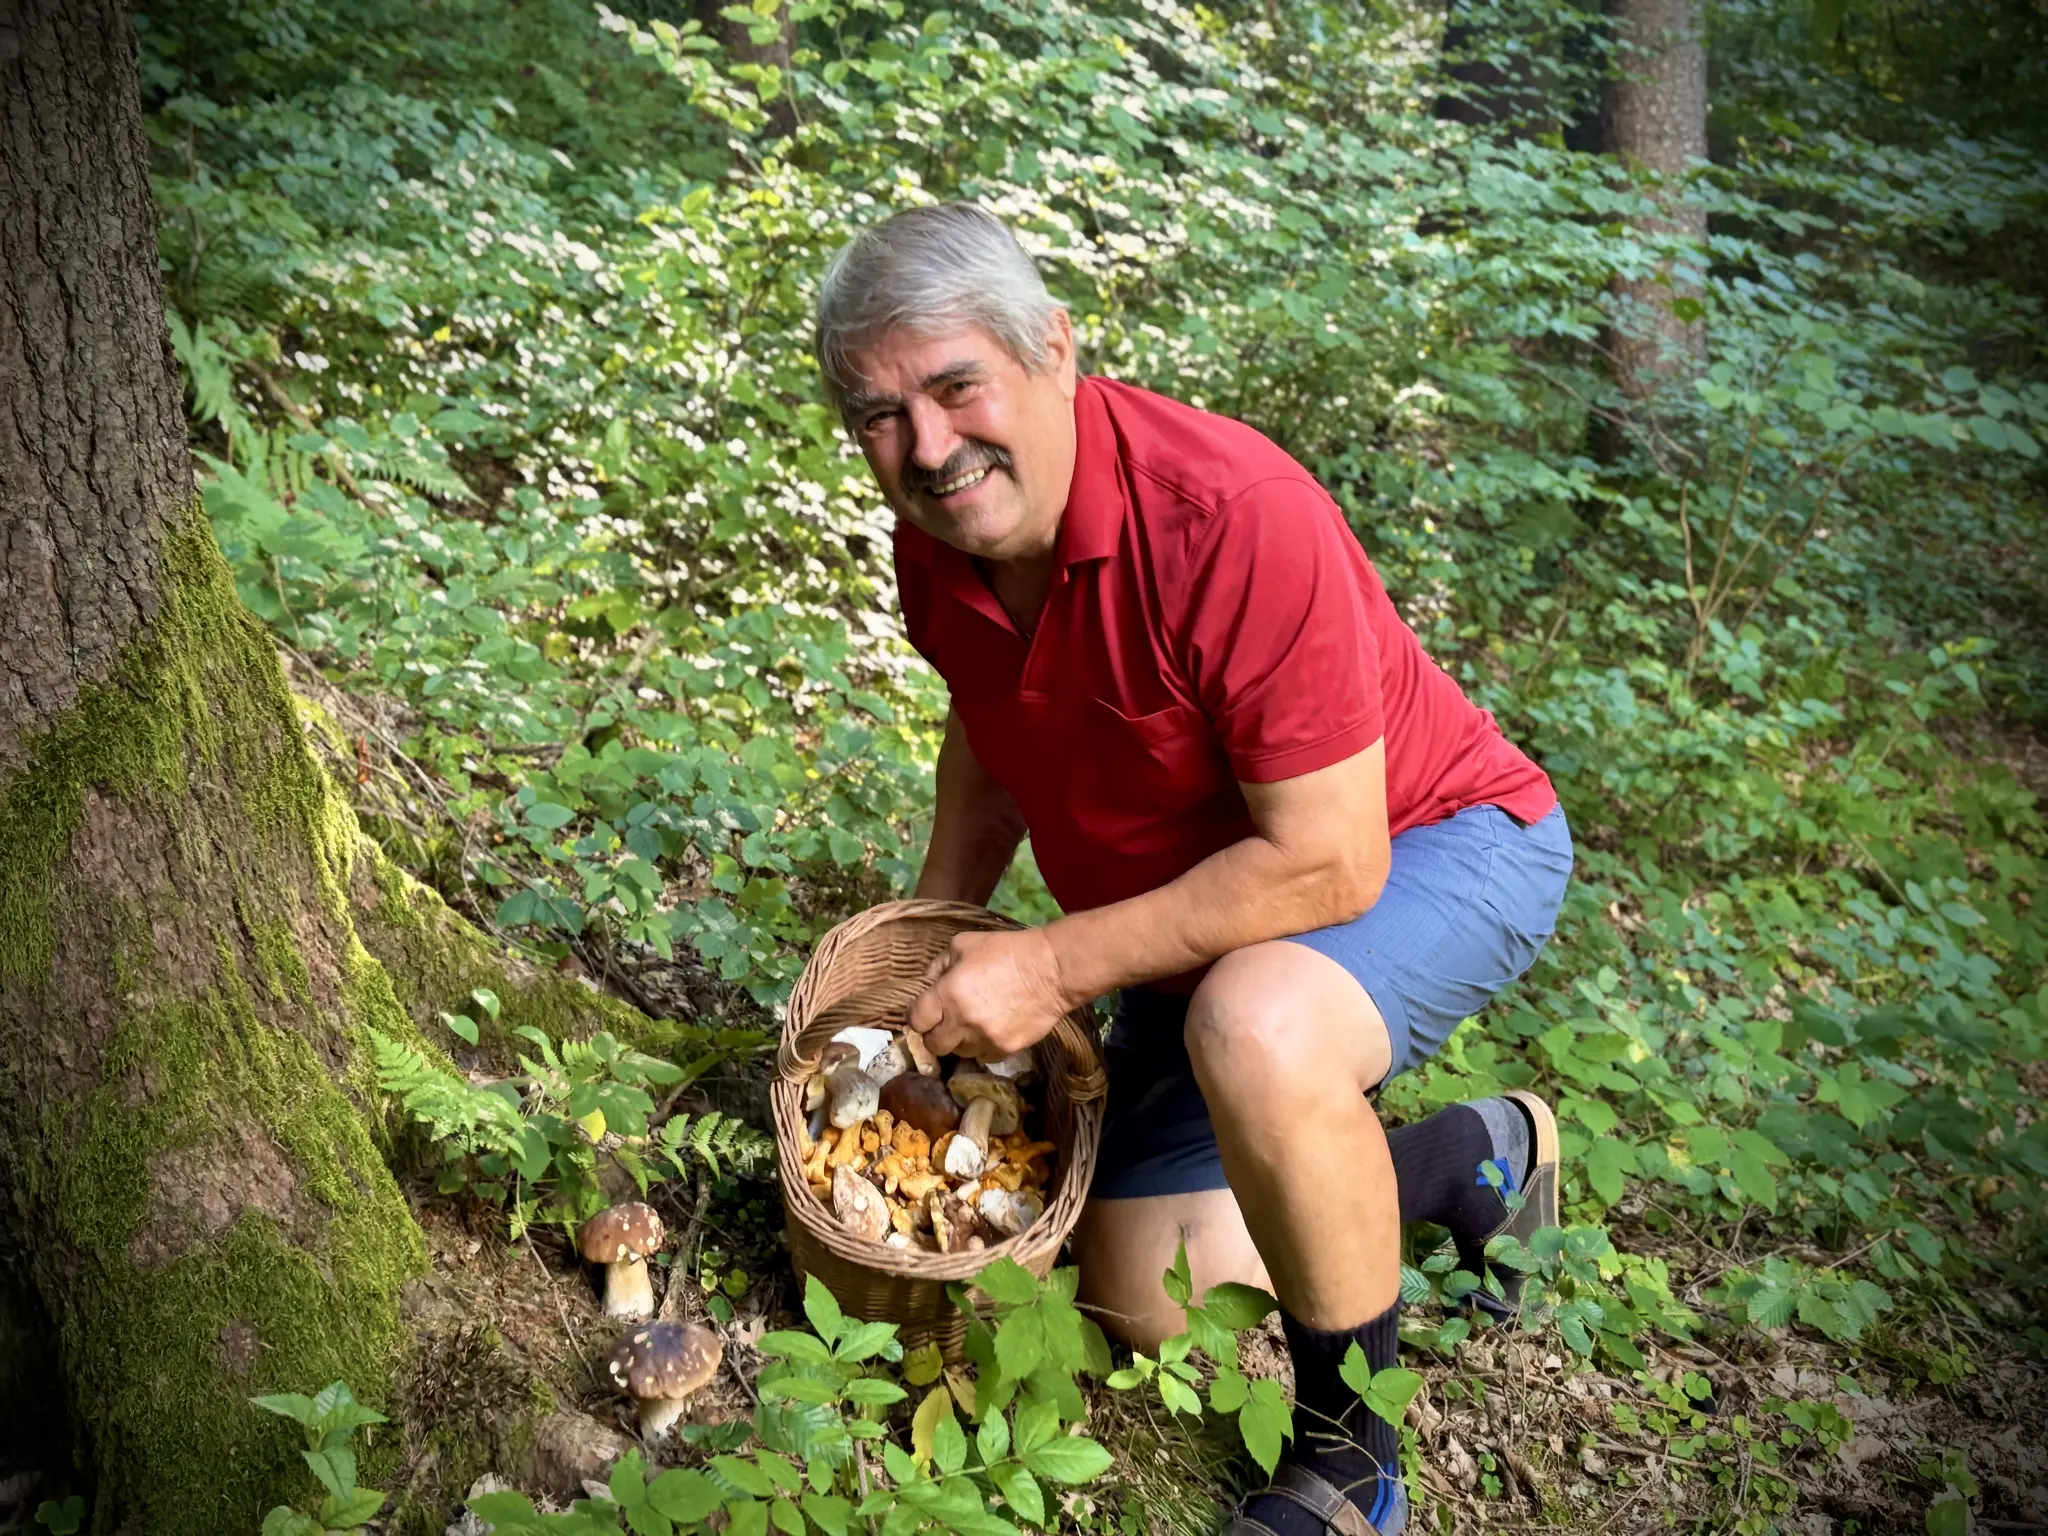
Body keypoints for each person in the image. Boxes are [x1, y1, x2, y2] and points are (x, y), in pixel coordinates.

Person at [813, 202, 1573, 1536]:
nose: (927, 448)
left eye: (953, 386)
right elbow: (991, 735)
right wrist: (934, 937)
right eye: (882, 414)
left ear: (1052, 347)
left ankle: (1354, 1465)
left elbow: (1330, 861)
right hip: (1216, 903)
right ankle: (1469, 1160)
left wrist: (1051, 961)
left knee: (1257, 1022)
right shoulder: (941, 544)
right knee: (1149, 1295)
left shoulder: (1228, 516)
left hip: (1438, 842)